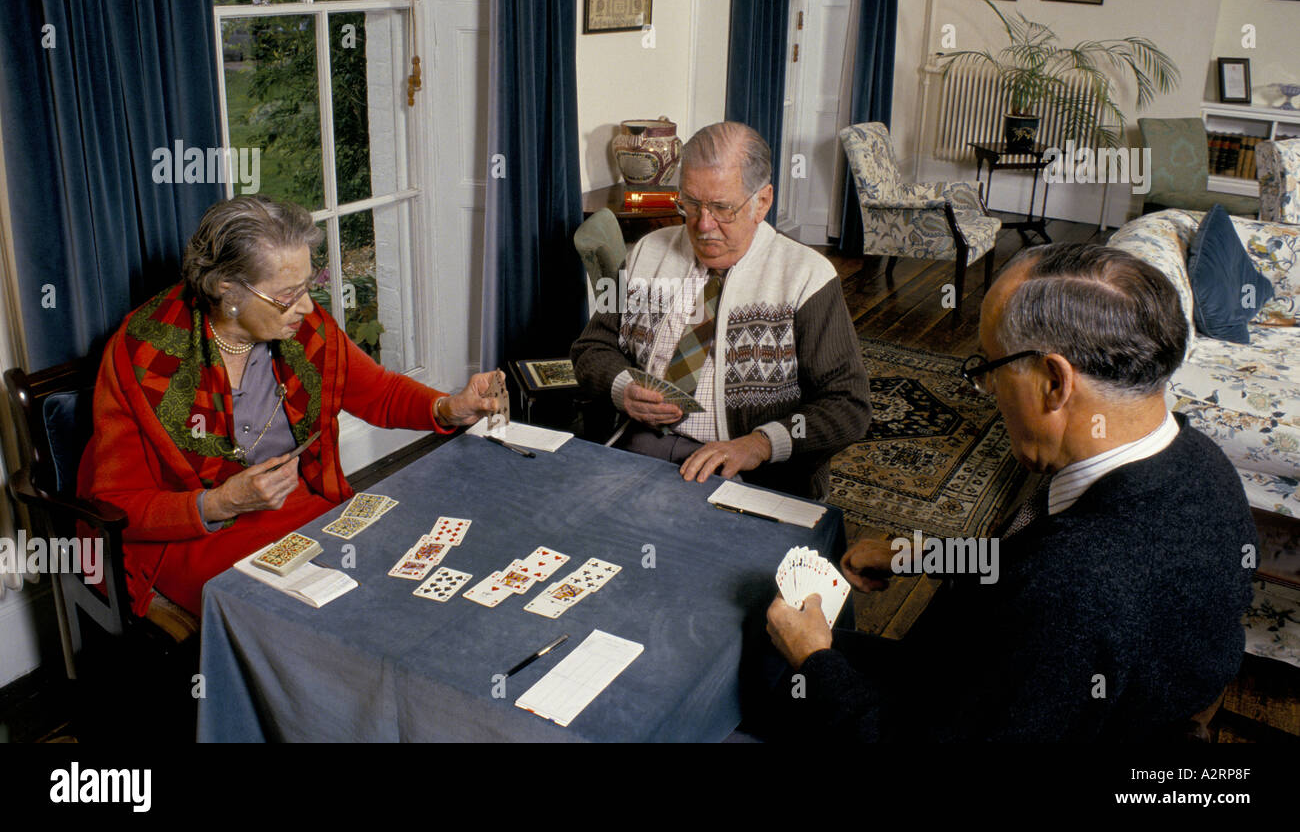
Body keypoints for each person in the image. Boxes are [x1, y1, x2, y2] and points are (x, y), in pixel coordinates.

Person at [764, 242, 1257, 740]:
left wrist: (814, 661)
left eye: (992, 370)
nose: (989, 391)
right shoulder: (1200, 461)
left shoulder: (1074, 591)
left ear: (1054, 382)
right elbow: (1030, 554)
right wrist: (921, 557)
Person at [77, 195, 501, 619]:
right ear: (229, 291)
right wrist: (221, 503)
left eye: (307, 287)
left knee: (381, 581)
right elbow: (117, 505)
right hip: (192, 536)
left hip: (295, 508)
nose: (305, 306)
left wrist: (449, 408)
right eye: (288, 294)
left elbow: (378, 393)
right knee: (292, 620)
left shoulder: (305, 327)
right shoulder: (141, 355)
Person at [570, 122, 871, 500]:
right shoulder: (648, 252)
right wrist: (622, 389)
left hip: (754, 475)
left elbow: (848, 405)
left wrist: (760, 444)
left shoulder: (806, 277)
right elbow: (591, 347)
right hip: (639, 446)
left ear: (762, 202)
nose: (703, 224)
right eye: (691, 203)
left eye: (722, 208)